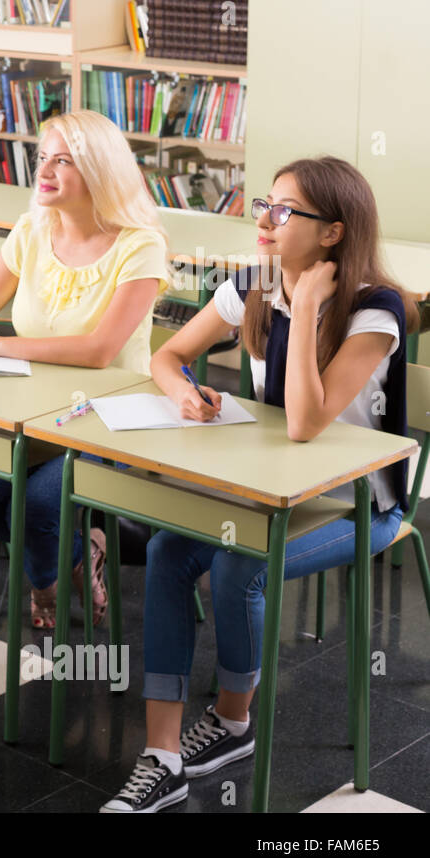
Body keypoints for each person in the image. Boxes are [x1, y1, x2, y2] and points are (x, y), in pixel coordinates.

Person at [103, 156, 418, 813]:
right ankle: (161, 755)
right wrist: (184, 393)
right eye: (264, 204)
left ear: (331, 233)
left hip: (356, 503)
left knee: (239, 562)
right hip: (267, 488)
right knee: (166, 549)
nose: (266, 220)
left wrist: (304, 307)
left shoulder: (375, 310)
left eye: (285, 210)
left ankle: (233, 720)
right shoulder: (251, 284)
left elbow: (305, 421)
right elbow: (167, 355)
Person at [0, 110, 170, 630]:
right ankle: (81, 553)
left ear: (100, 171)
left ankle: (46, 586)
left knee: (35, 504)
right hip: (30, 411)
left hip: (110, 417)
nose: (45, 170)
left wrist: (2, 347)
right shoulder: (32, 229)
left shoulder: (141, 245)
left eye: (64, 160)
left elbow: (101, 350)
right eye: (43, 158)